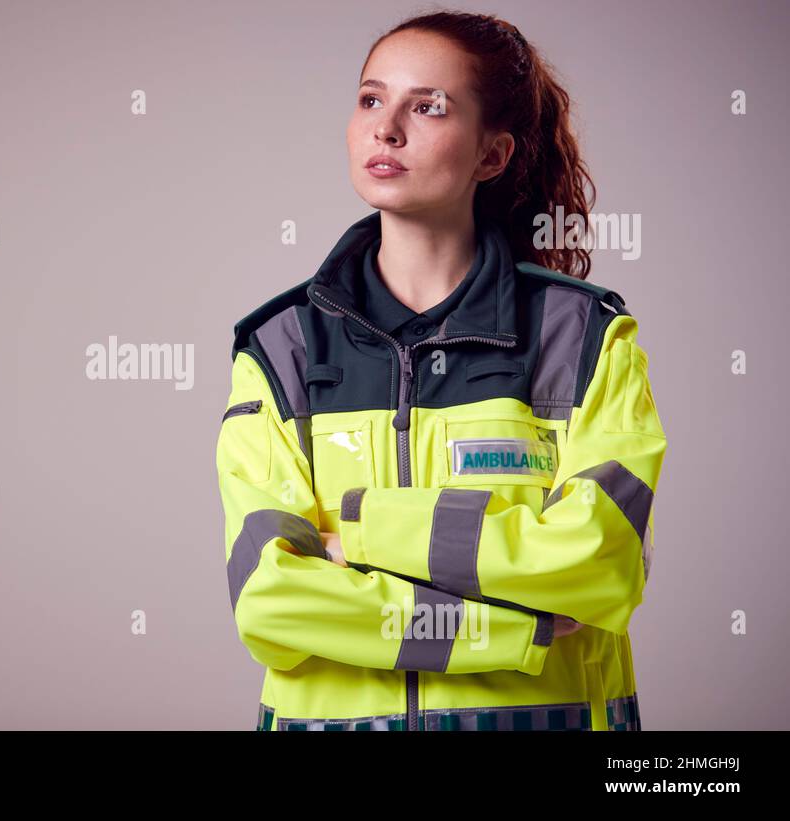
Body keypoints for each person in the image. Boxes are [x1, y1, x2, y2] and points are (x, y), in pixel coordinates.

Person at [216, 10, 667, 731]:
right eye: (371, 99)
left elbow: (596, 565)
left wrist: (359, 533)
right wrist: (518, 629)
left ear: (491, 155)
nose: (385, 128)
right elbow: (271, 600)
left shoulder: (584, 338)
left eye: (428, 107)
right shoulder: (281, 349)